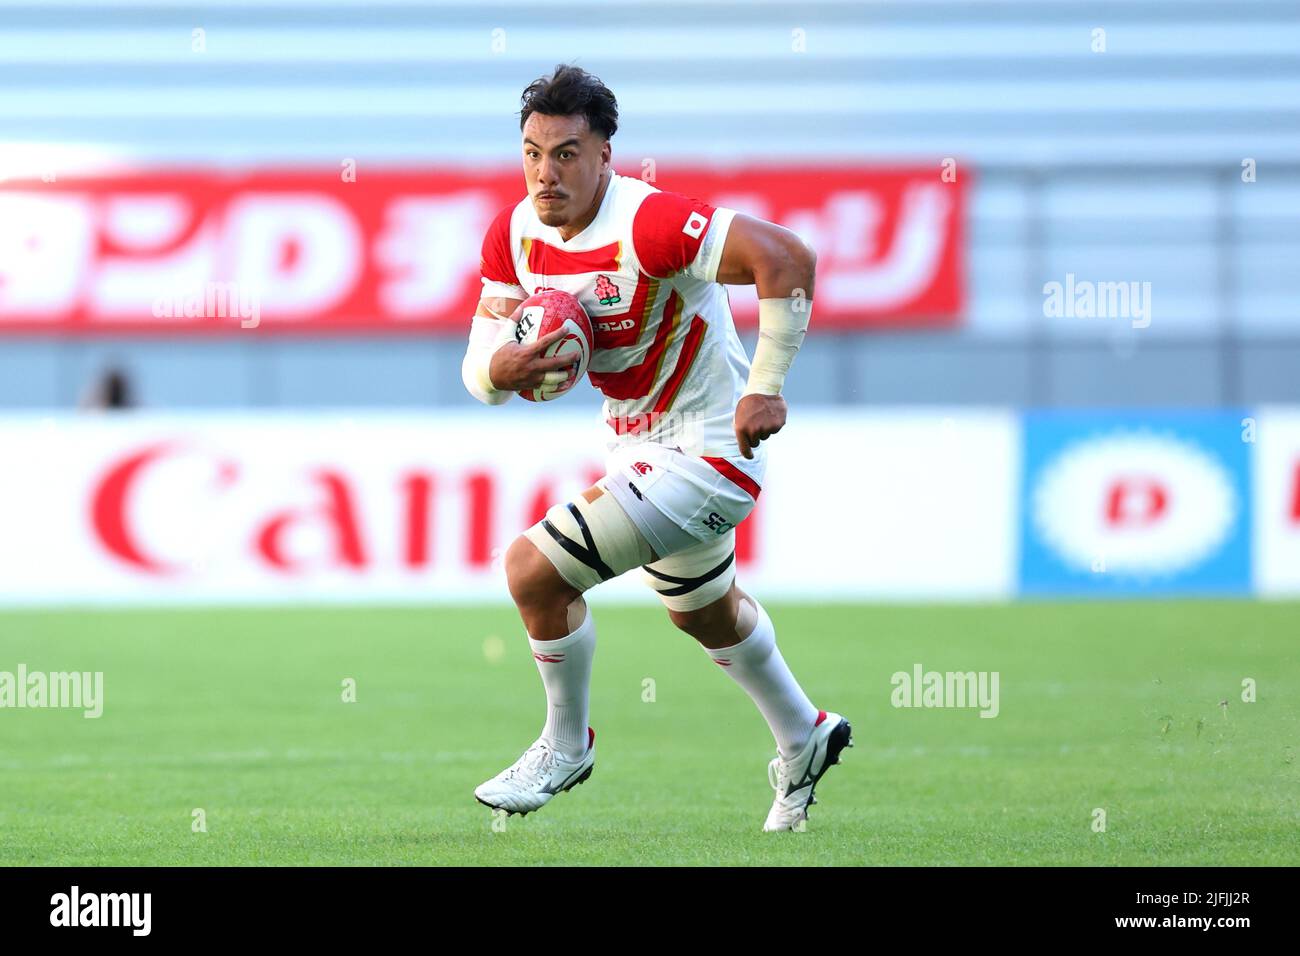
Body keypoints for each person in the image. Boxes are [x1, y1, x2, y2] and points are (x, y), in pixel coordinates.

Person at [461, 64, 851, 831]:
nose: (547, 173)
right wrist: (496, 370)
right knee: (706, 615)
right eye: (534, 153)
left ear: (607, 154)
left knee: (532, 572)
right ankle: (804, 734)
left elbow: (788, 258)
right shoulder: (514, 233)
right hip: (635, 448)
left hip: (708, 452)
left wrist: (765, 384)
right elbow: (480, 369)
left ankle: (564, 746)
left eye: (567, 153)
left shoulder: (652, 223)